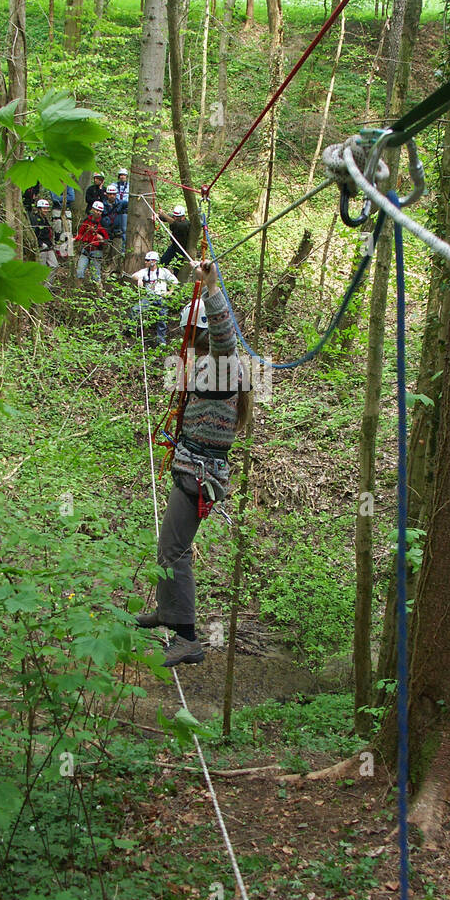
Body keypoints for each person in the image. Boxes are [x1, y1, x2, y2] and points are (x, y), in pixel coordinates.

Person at [136, 260, 251, 667]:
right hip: (193, 471)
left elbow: (225, 339)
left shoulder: (222, 371)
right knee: (169, 547)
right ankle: (169, 613)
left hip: (199, 475)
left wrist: (211, 288)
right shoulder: (205, 372)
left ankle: (188, 638)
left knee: (175, 551)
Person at [129, 250, 178, 345]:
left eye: (148, 260)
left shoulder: (163, 272)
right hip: (149, 297)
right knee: (135, 309)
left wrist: (170, 292)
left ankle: (161, 341)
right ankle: (130, 330)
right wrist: (139, 279)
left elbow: (174, 281)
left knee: (162, 317)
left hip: (161, 297)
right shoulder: (144, 271)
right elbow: (133, 276)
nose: (145, 262)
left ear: (154, 261)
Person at [23, 191, 60, 287]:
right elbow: (34, 234)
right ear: (39, 209)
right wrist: (40, 244)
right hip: (41, 248)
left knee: (55, 265)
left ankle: (46, 287)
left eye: (47, 208)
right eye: (44, 208)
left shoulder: (46, 220)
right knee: (41, 271)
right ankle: (38, 290)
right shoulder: (35, 219)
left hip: (49, 247)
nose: (46, 210)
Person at [75, 201, 109, 286]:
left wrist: (101, 239)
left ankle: (101, 297)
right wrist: (75, 239)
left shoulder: (104, 222)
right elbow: (80, 234)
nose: (98, 212)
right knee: (79, 272)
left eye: (100, 211)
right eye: (97, 210)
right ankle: (78, 295)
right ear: (92, 209)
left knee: (96, 276)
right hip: (85, 250)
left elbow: (106, 239)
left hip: (96, 251)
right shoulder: (87, 220)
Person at [100, 185, 126, 275]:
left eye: (114, 194)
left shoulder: (121, 204)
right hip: (105, 232)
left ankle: (116, 272)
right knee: (105, 252)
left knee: (117, 252)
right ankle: (104, 271)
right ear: (106, 194)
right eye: (110, 194)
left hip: (117, 232)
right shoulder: (102, 205)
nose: (112, 196)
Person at [160, 203, 191, 269]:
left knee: (177, 268)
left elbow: (175, 224)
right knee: (163, 261)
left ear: (183, 217)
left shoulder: (185, 224)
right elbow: (165, 217)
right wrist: (158, 215)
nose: (175, 218)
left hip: (183, 249)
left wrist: (164, 216)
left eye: (177, 217)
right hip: (174, 246)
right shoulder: (174, 218)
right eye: (174, 216)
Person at [108, 168, 129, 243]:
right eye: (121, 175)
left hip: (124, 211)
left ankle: (123, 249)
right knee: (112, 228)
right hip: (114, 210)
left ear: (126, 176)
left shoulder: (129, 187)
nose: (122, 177)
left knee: (124, 229)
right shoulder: (114, 185)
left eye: (124, 175)